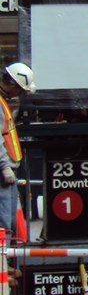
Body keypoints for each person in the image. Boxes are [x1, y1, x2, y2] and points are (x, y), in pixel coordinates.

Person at [0, 62, 34, 238]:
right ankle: (2, 263)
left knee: (9, 220)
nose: (19, 94)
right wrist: (4, 166)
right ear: (12, 84)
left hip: (7, 171)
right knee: (3, 221)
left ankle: (6, 261)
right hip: (2, 172)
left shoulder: (3, 102)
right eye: (20, 89)